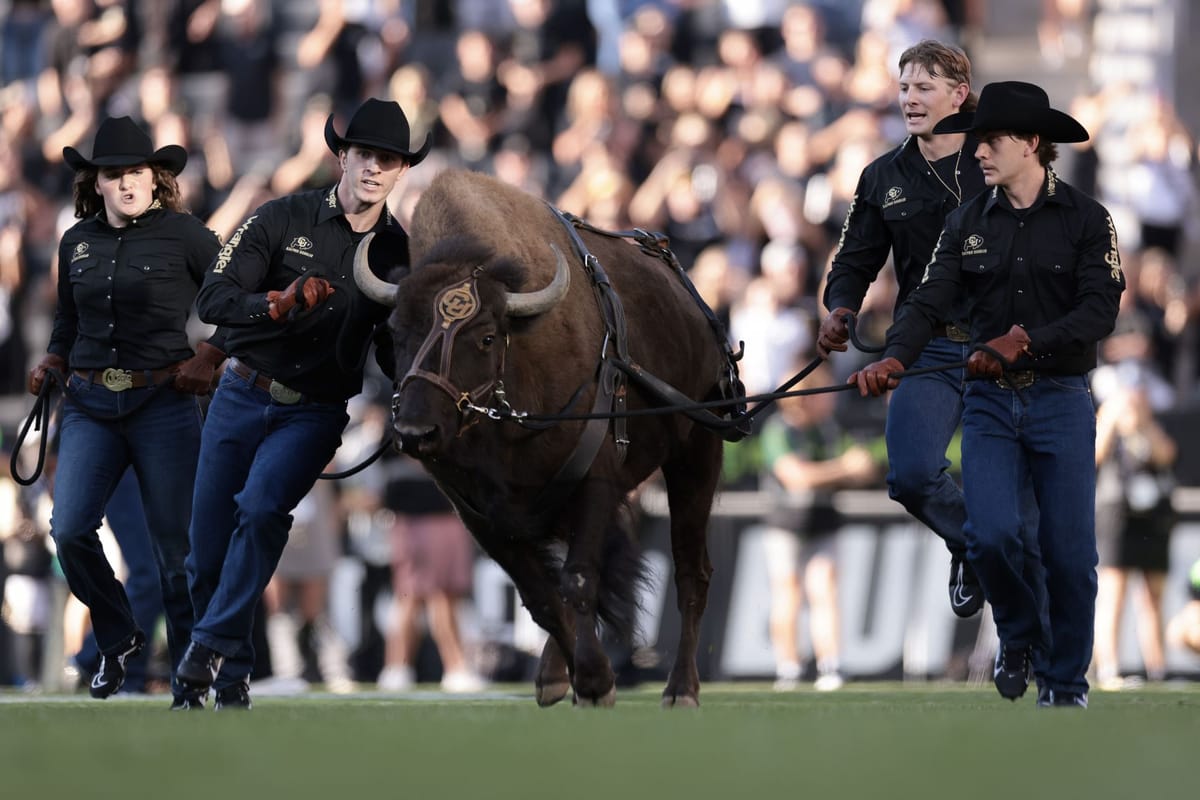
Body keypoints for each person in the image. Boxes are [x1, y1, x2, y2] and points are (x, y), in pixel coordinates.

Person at [849, 81, 1126, 708]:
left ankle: (1064, 684)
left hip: (1060, 399)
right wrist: (895, 356)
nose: (976, 153)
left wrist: (1024, 341)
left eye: (990, 141)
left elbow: (1099, 312)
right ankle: (1021, 633)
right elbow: (928, 300)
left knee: (1070, 554)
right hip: (991, 405)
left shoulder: (1088, 219)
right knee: (994, 534)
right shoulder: (965, 221)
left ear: (1031, 143)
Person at [177, 98, 425, 710]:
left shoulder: (402, 255)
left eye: (387, 160)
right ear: (341, 155)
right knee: (204, 556)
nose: (372, 168)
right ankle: (230, 675)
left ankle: (203, 652)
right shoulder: (282, 216)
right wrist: (278, 304)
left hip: (313, 411)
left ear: (400, 172)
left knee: (262, 512)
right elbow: (213, 297)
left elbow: (397, 353)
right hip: (240, 390)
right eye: (364, 154)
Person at [26, 115, 224, 708]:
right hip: (87, 402)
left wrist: (210, 357)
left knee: (173, 551)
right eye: (116, 174)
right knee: (69, 530)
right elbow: (67, 317)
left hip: (163, 401)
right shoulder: (75, 242)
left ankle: (190, 679)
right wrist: (54, 358)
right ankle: (117, 636)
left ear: (155, 177)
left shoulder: (188, 235)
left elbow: (232, 299)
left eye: (137, 171)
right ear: (98, 184)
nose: (129, 182)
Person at [815, 40, 989, 618]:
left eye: (923, 87)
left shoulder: (995, 160)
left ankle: (1028, 646)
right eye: (904, 87)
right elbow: (854, 261)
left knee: (1018, 496)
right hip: (927, 344)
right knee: (911, 475)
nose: (909, 99)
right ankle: (971, 544)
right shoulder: (882, 174)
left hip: (1002, 344)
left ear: (959, 95)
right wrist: (841, 308)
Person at [756, 361, 878, 692]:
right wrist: (844, 468)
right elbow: (796, 477)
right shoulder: (779, 431)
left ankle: (831, 665)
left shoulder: (829, 428)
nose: (832, 399)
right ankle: (789, 668)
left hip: (824, 522)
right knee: (788, 593)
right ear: (805, 397)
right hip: (785, 526)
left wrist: (853, 467)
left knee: (824, 590)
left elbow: (864, 467)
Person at [1092, 373, 1177, 689]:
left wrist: (1143, 421)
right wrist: (1113, 417)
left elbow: (1166, 454)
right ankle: (1108, 669)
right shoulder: (1108, 427)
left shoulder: (1153, 427)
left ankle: (1158, 670)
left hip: (1152, 519)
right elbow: (1095, 456)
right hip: (1117, 516)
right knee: (1113, 593)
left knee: (1152, 597)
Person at [376, 453, 487, 694]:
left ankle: (399, 668)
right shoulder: (395, 425)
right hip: (415, 516)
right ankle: (451, 667)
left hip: (446, 513)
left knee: (435, 594)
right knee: (429, 594)